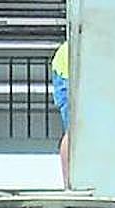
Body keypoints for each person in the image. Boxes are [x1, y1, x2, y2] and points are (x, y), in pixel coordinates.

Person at [51, 40, 68, 186]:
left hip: (65, 65)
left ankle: (69, 184)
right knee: (74, 133)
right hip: (67, 68)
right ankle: (69, 184)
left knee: (74, 133)